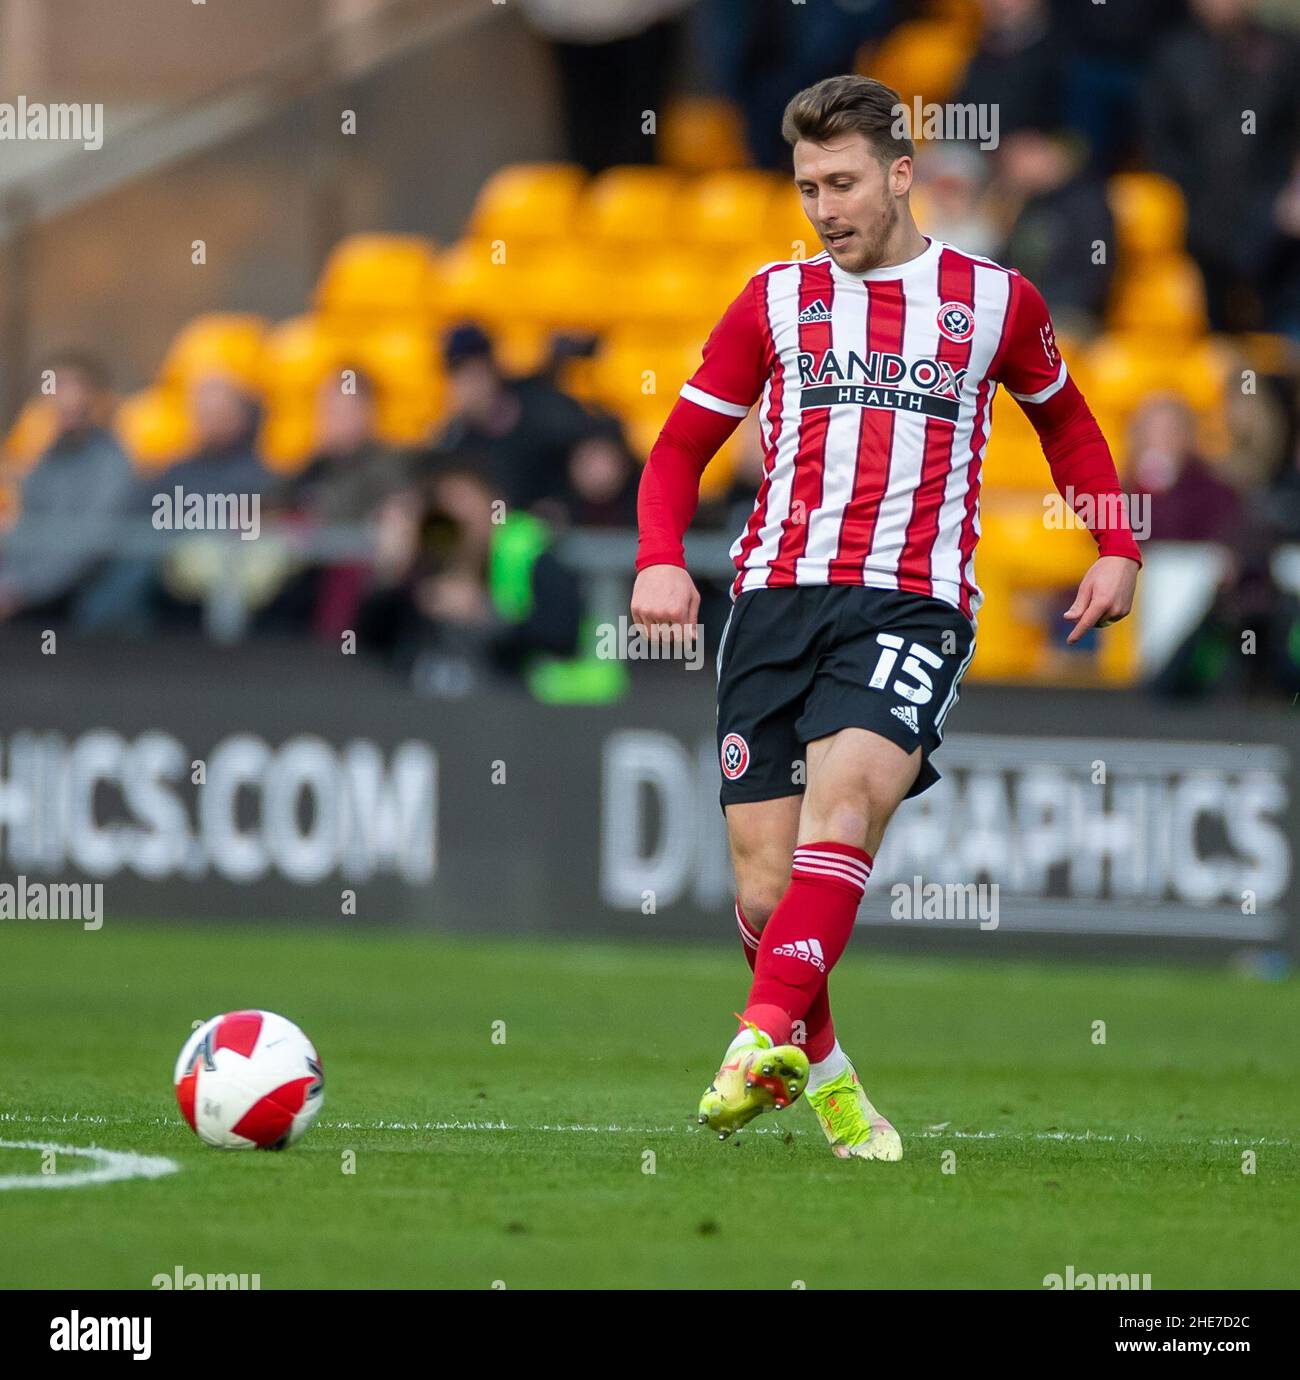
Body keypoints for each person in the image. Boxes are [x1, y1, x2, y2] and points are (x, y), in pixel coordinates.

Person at [631, 75, 1141, 1160]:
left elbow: (1071, 429)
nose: (824, 207)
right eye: (808, 186)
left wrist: (1115, 544)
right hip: (773, 600)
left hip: (912, 603)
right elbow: (678, 450)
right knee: (768, 899)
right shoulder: (771, 299)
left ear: (902, 175)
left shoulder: (995, 301)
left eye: (844, 182)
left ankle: (755, 1040)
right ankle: (828, 1082)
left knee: (848, 800)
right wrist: (660, 560)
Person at [0, 351, 137, 627]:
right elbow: (27, 531)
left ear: (97, 398)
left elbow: (88, 547)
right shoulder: (43, 461)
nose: (66, 398)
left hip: (76, 612)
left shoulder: (113, 464)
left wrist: (20, 590)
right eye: (55, 386)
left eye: (74, 386)